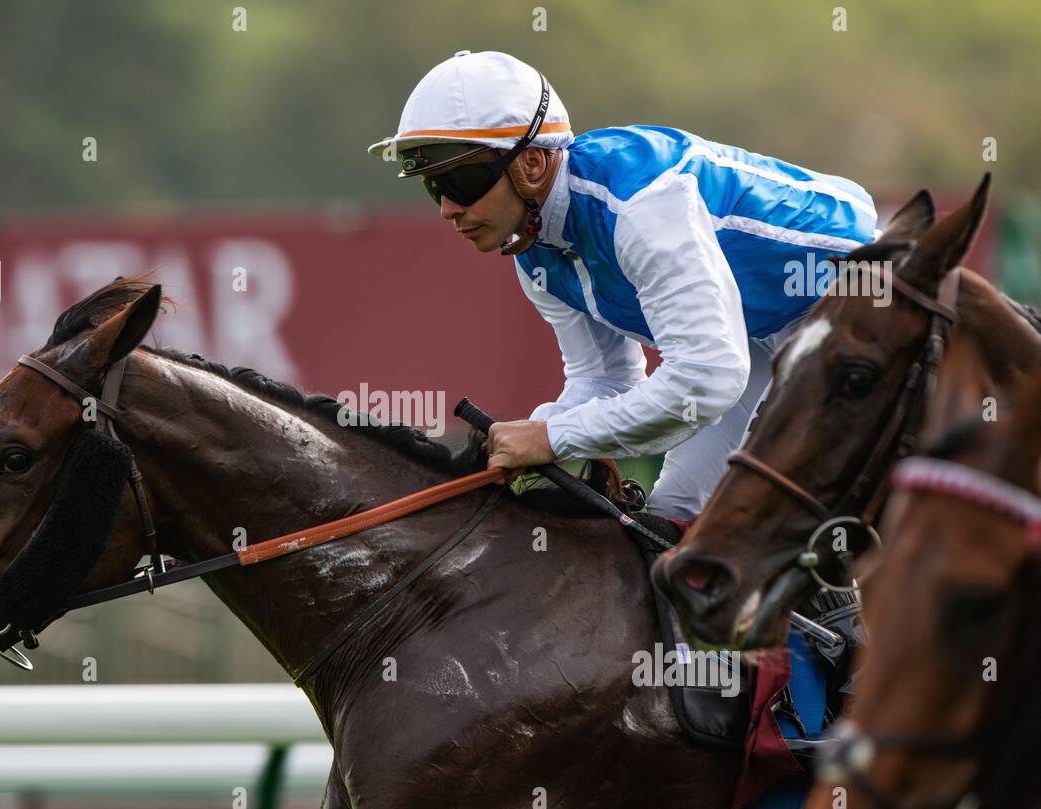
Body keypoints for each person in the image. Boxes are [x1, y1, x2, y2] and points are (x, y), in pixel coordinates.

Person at [368, 50, 879, 520]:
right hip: (760, 337)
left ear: (531, 164)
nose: (447, 209)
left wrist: (553, 437)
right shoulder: (533, 251)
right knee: (674, 519)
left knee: (758, 523)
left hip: (859, 309)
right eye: (433, 185)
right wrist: (528, 433)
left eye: (459, 182)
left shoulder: (640, 208)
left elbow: (705, 378)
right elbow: (605, 382)